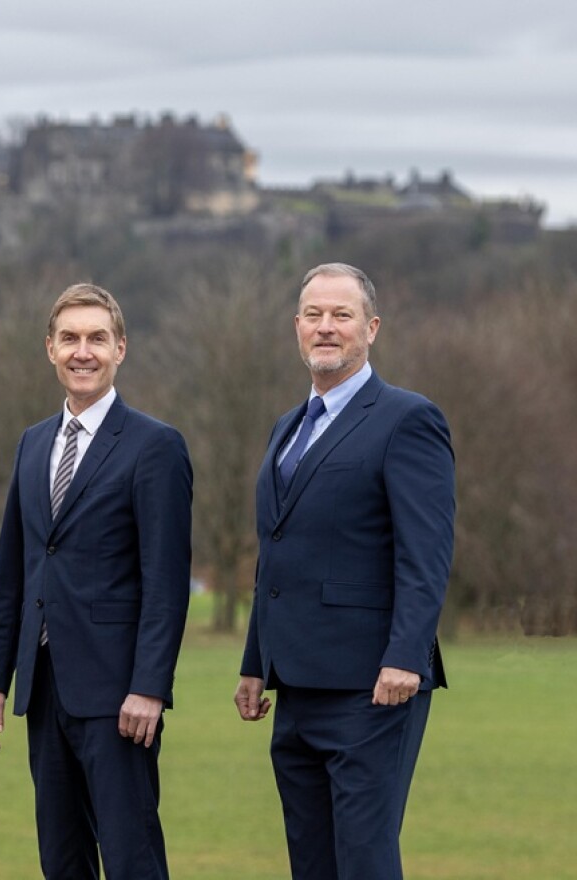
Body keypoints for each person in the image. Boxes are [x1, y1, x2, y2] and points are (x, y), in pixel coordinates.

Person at [234, 262, 455, 880]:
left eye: (342, 315)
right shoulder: (286, 429)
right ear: (296, 327)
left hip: (373, 685)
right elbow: (276, 554)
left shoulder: (407, 420)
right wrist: (255, 663)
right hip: (295, 686)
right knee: (312, 863)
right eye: (314, 315)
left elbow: (426, 552)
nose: (325, 327)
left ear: (371, 328)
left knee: (362, 861)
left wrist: (406, 656)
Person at [0, 283, 193, 879]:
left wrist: (150, 687)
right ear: (50, 348)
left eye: (98, 338)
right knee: (62, 860)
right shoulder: (32, 443)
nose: (83, 351)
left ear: (121, 348)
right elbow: (13, 573)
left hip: (119, 695)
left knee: (131, 860)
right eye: (69, 338)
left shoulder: (156, 446)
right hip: (44, 688)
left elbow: (166, 583)